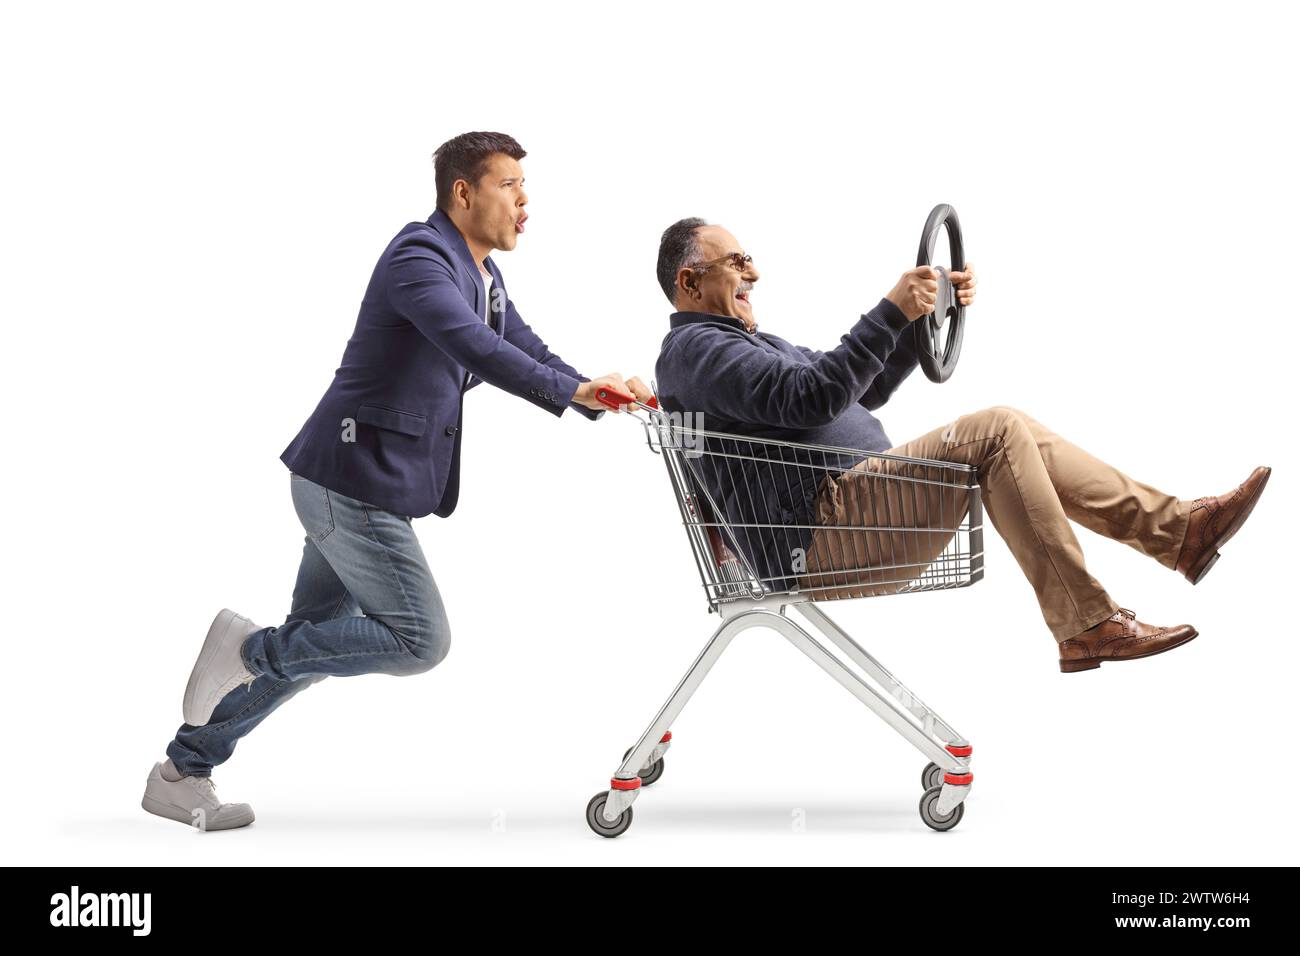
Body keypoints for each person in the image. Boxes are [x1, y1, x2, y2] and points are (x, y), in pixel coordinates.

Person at [141, 132, 652, 830]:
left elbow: (519, 343)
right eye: (509, 186)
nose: (524, 199)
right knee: (418, 640)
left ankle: (182, 770)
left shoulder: (484, 274)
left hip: (365, 481)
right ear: (463, 193)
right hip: (350, 482)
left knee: (317, 645)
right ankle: (246, 649)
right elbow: (473, 345)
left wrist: (584, 388)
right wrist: (564, 393)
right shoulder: (419, 258)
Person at [651, 217, 1270, 674]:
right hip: (820, 533)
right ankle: (1091, 617)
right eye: (736, 261)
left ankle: (1176, 535)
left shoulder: (748, 343)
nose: (753, 272)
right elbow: (813, 397)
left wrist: (920, 319)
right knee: (997, 429)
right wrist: (891, 310)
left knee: (1013, 431)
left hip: (860, 510)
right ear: (689, 279)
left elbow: (854, 395)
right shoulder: (696, 351)